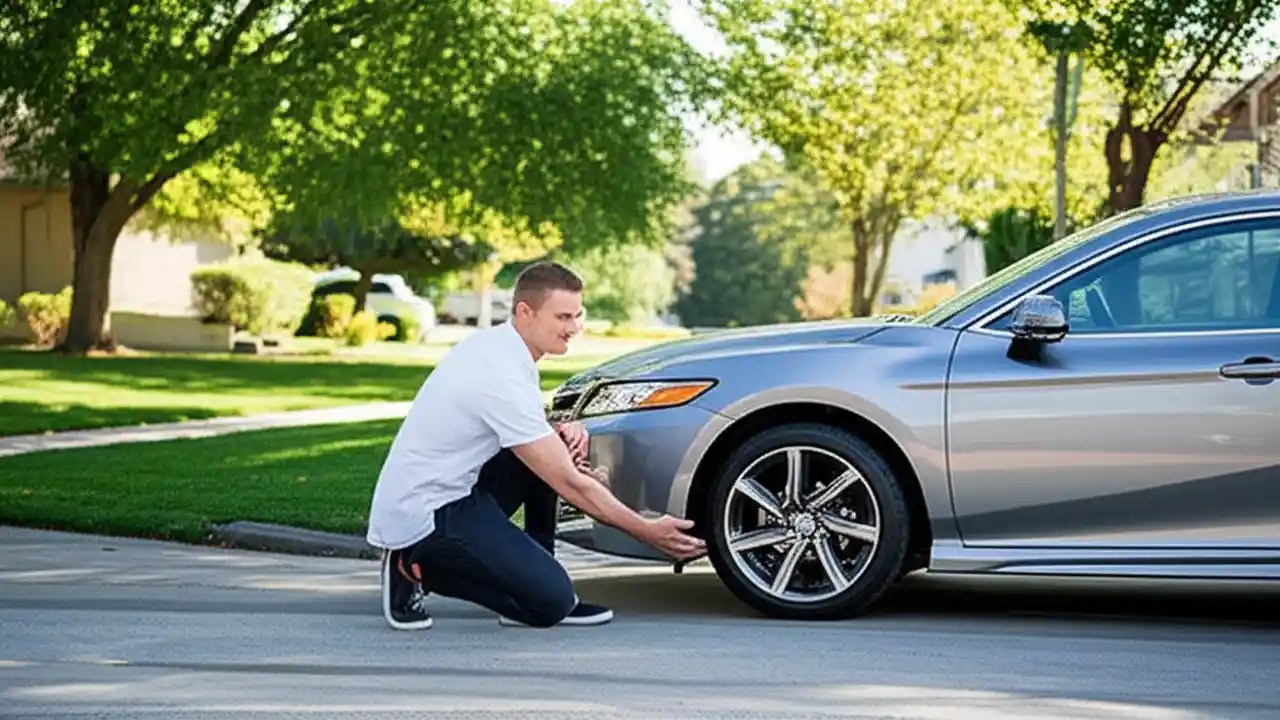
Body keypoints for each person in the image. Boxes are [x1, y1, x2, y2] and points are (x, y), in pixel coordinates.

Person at [366, 261, 705, 630]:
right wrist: (647, 530)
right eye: (562, 317)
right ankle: (412, 564)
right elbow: (569, 483)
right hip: (428, 513)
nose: (574, 328)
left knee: (548, 448)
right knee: (550, 603)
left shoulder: (504, 349)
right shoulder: (499, 372)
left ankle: (527, 583)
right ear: (525, 312)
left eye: (578, 315)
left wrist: (560, 431)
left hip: (460, 489)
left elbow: (524, 433)